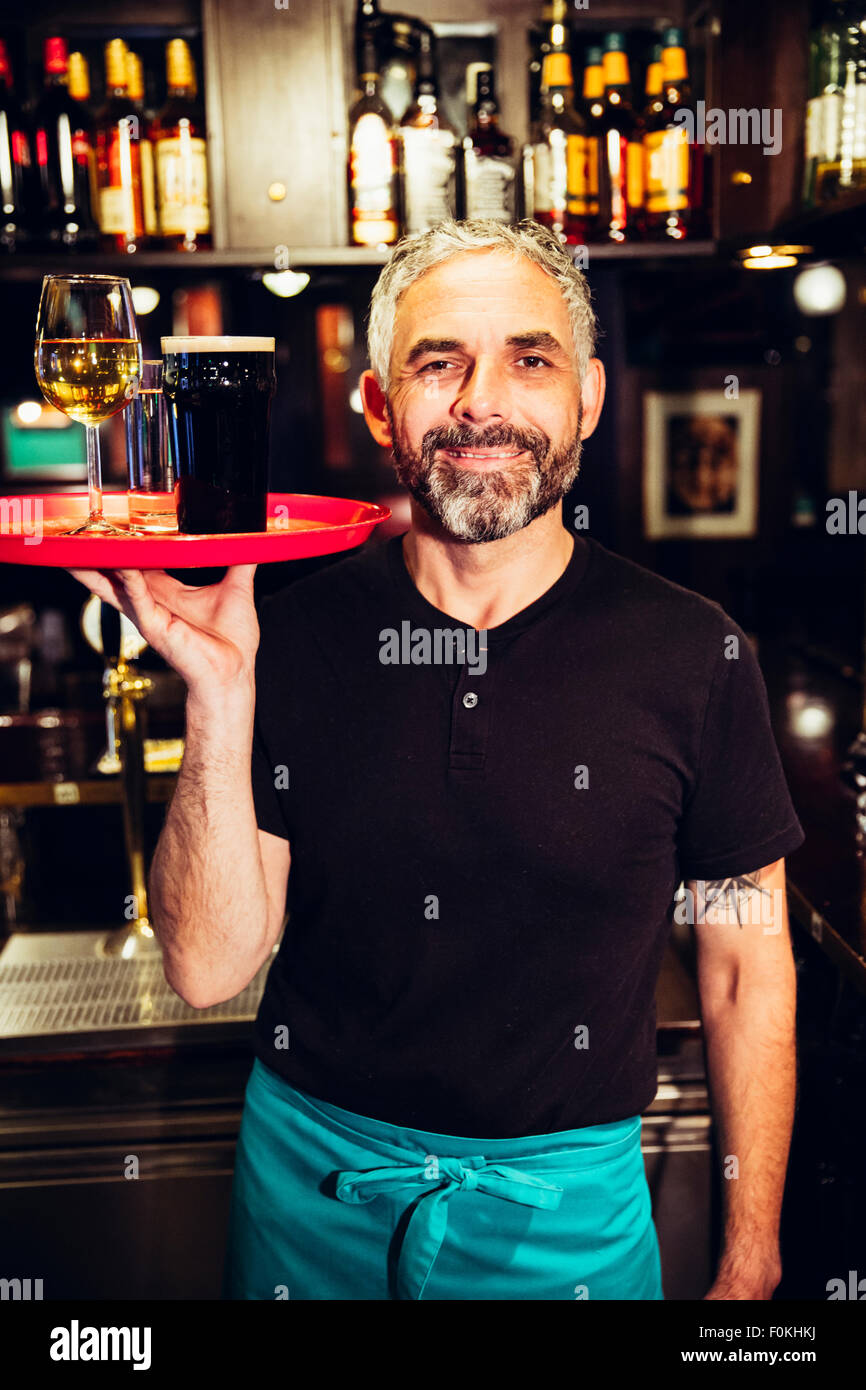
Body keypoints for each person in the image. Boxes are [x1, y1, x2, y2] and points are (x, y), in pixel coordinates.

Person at [70, 219, 804, 1302]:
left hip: (566, 1219)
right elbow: (208, 967)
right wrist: (220, 694)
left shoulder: (696, 653)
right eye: (436, 361)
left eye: (529, 357)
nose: (479, 401)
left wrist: (749, 1252)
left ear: (588, 397)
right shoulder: (288, 639)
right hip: (312, 1197)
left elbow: (743, 965)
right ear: (379, 404)